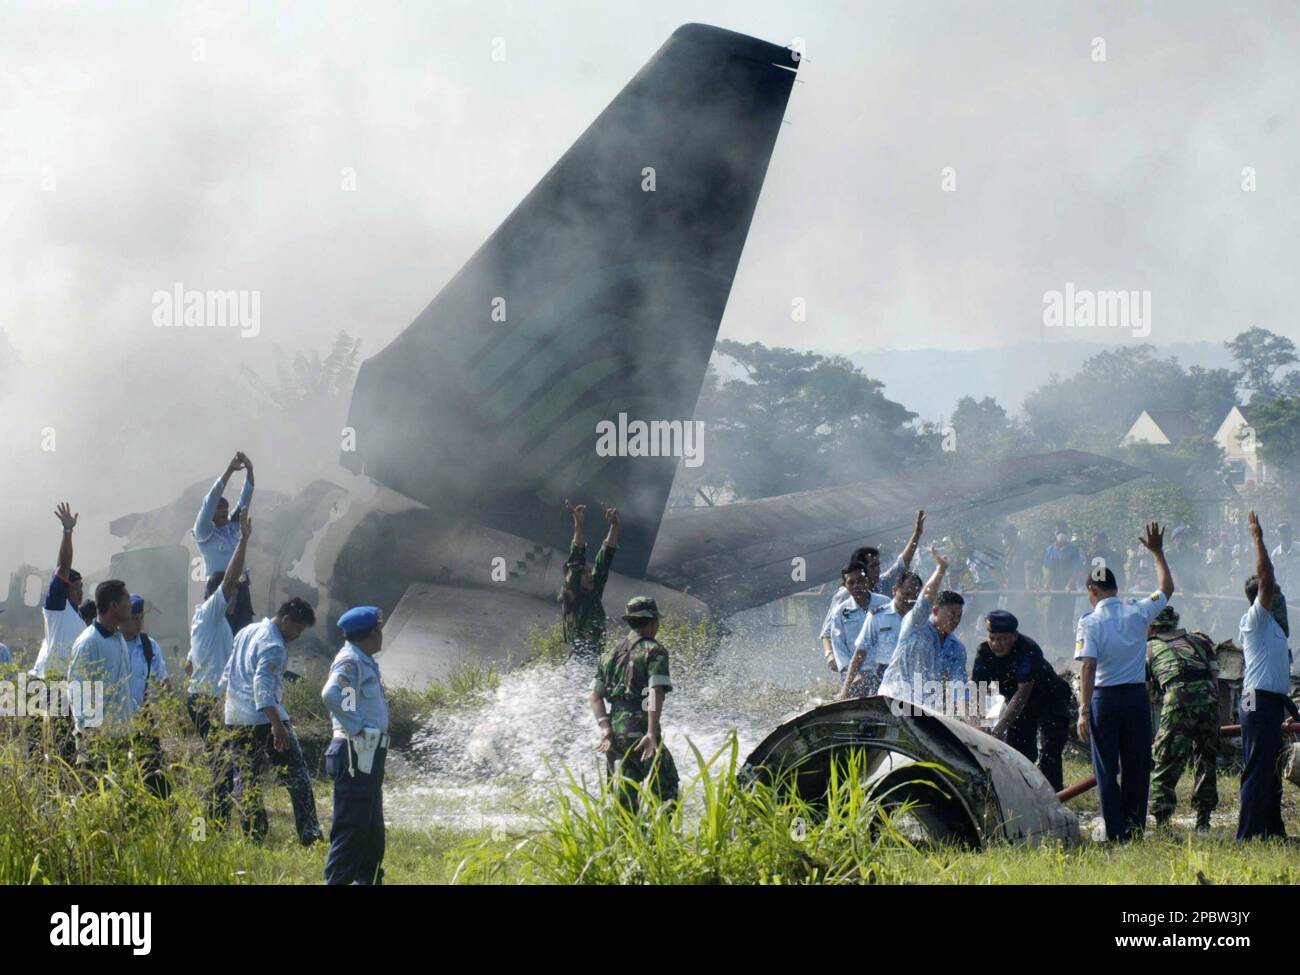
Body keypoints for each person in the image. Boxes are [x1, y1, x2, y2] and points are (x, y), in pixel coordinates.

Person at [1075, 521, 1174, 842]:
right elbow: (1167, 588)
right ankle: (1135, 828)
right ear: (1116, 588)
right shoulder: (1138, 611)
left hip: (1104, 700)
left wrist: (1083, 710)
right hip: (1135, 699)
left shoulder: (1089, 622)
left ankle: (1116, 832)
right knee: (1137, 766)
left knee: (1106, 768)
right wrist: (1157, 552)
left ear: (1092, 591)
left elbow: (1088, 666)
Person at [220, 597, 323, 845]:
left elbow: (228, 672)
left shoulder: (247, 631)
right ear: (285, 619)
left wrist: (223, 706)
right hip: (264, 719)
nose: (297, 636)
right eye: (297, 629)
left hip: (236, 717)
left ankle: (254, 835)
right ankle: (310, 835)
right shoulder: (274, 645)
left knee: (246, 778)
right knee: (297, 776)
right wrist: (277, 725)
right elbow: (263, 685)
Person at [1236, 512, 1296, 841]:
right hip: (1256, 699)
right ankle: (1247, 836)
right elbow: (1267, 576)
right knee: (1258, 768)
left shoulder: (1274, 626)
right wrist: (1258, 538)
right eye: (1275, 592)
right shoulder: (1255, 619)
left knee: (1271, 768)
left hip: (1270, 701)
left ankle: (1272, 831)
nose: (1280, 596)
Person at [321, 606, 390, 885]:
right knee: (351, 831)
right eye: (379, 630)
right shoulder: (351, 661)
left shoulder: (363, 660)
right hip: (355, 751)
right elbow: (332, 694)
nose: (381, 635)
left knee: (371, 833)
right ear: (371, 633)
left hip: (366, 752)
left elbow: (348, 699)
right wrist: (358, 727)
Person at [589, 595, 678, 810]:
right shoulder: (654, 651)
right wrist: (651, 733)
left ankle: (626, 832)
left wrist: (605, 728)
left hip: (616, 734)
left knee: (624, 796)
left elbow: (594, 696)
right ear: (652, 623)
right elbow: (655, 691)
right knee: (667, 791)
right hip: (641, 730)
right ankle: (658, 830)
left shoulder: (610, 654)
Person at [971, 609, 1073, 791]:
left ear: (1014, 636)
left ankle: (1054, 795)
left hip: (1050, 698)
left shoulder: (1028, 649)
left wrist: (1000, 727)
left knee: (1050, 749)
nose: (996, 644)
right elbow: (979, 690)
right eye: (992, 638)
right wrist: (981, 724)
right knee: (1018, 750)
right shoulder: (984, 651)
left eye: (1002, 639)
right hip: (1019, 704)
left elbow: (1023, 692)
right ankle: (1020, 791)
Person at [819, 510, 925, 670]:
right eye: (874, 566)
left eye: (878, 565)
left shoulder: (883, 584)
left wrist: (917, 534)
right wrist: (830, 656)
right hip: (854, 662)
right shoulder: (845, 595)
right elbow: (828, 632)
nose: (878, 569)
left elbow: (902, 563)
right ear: (861, 569)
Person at [1145, 604, 1219, 831]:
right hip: (1209, 701)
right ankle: (1203, 821)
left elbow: (1147, 692)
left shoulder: (1148, 648)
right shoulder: (1200, 641)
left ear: (1152, 627)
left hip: (1178, 700)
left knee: (1166, 760)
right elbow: (1214, 678)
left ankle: (1162, 823)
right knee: (1206, 759)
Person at [29, 502, 87, 765]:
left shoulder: (78, 617)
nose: (81, 592)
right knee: (44, 746)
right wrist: (67, 532)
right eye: (76, 588)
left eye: (82, 588)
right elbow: (63, 566)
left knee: (67, 746)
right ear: (64, 588)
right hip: (49, 684)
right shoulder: (56, 606)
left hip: (69, 684)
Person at [187, 508, 251, 742]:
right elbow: (230, 579)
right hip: (207, 700)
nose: (236, 601)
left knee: (224, 755)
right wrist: (243, 540)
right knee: (223, 754)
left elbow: (189, 666)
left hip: (210, 698)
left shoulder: (214, 623)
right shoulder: (210, 614)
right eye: (233, 596)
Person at [879, 547, 968, 713]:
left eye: (959, 616)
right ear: (935, 611)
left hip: (925, 709)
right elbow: (925, 598)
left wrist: (972, 720)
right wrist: (940, 570)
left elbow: (959, 687)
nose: (955, 620)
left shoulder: (957, 648)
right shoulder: (915, 624)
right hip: (893, 699)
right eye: (951, 614)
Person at [65, 581, 137, 765]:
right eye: (127, 599)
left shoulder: (118, 638)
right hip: (98, 741)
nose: (130, 604)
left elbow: (123, 687)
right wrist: (91, 734)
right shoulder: (89, 642)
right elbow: (78, 690)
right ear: (114, 605)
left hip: (122, 738)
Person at [194, 452, 256, 634]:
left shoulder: (232, 527)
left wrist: (250, 471)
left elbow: (245, 499)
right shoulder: (204, 531)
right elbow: (211, 499)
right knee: (223, 633)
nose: (224, 511)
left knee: (244, 634)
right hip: (220, 590)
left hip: (241, 587)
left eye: (225, 507)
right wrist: (229, 471)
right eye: (219, 508)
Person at [120, 594, 172, 796]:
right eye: (134, 618)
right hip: (117, 719)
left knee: (153, 771)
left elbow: (163, 682)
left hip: (143, 717)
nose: (138, 622)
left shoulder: (149, 646)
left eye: (141, 617)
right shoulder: (113, 645)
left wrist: (170, 712)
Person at [839, 571, 922, 699]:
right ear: (894, 591)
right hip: (885, 679)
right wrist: (846, 688)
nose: (910, 599)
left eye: (915, 596)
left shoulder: (923, 621)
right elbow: (860, 653)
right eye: (906, 594)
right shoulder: (878, 617)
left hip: (915, 677)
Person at [561, 502, 618, 658]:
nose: (590, 575)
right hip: (577, 661)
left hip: (595, 660)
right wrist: (578, 525)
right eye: (585, 573)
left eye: (589, 572)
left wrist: (614, 526)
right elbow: (576, 558)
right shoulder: (572, 594)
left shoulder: (594, 593)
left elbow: (605, 558)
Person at [1043, 522, 1084, 655]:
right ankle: (1054, 645)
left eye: (1063, 530)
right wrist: (1047, 585)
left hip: (1069, 590)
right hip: (1056, 589)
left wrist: (1069, 584)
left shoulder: (1073, 550)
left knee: (1067, 617)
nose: (1060, 533)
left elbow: (1076, 570)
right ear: (1054, 533)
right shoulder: (1050, 550)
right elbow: (1050, 569)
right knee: (1052, 616)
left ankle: (1066, 647)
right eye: (1058, 530)